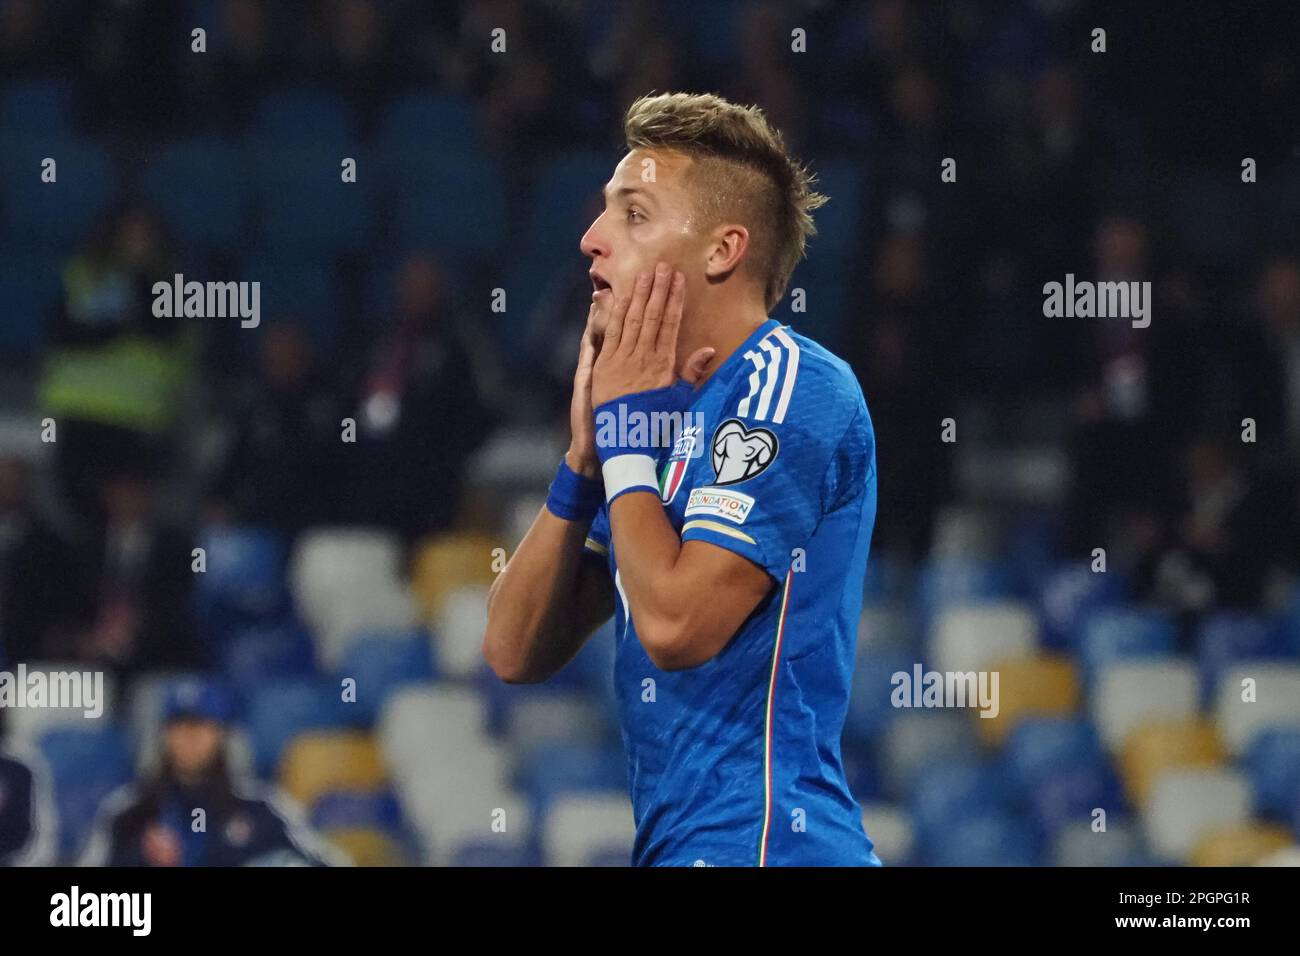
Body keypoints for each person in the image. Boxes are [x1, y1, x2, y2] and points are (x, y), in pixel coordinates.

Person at [484, 93, 881, 867]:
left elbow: (675, 629)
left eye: (633, 216)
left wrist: (628, 439)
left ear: (722, 250)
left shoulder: (792, 386)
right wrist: (584, 463)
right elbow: (512, 650)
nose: (590, 240)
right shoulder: (656, 423)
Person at [79, 679, 343, 866]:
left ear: (222, 734)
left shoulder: (262, 806)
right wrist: (139, 857)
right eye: (179, 726)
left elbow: (329, 860)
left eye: (200, 726)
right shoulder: (129, 810)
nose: (189, 737)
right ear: (163, 736)